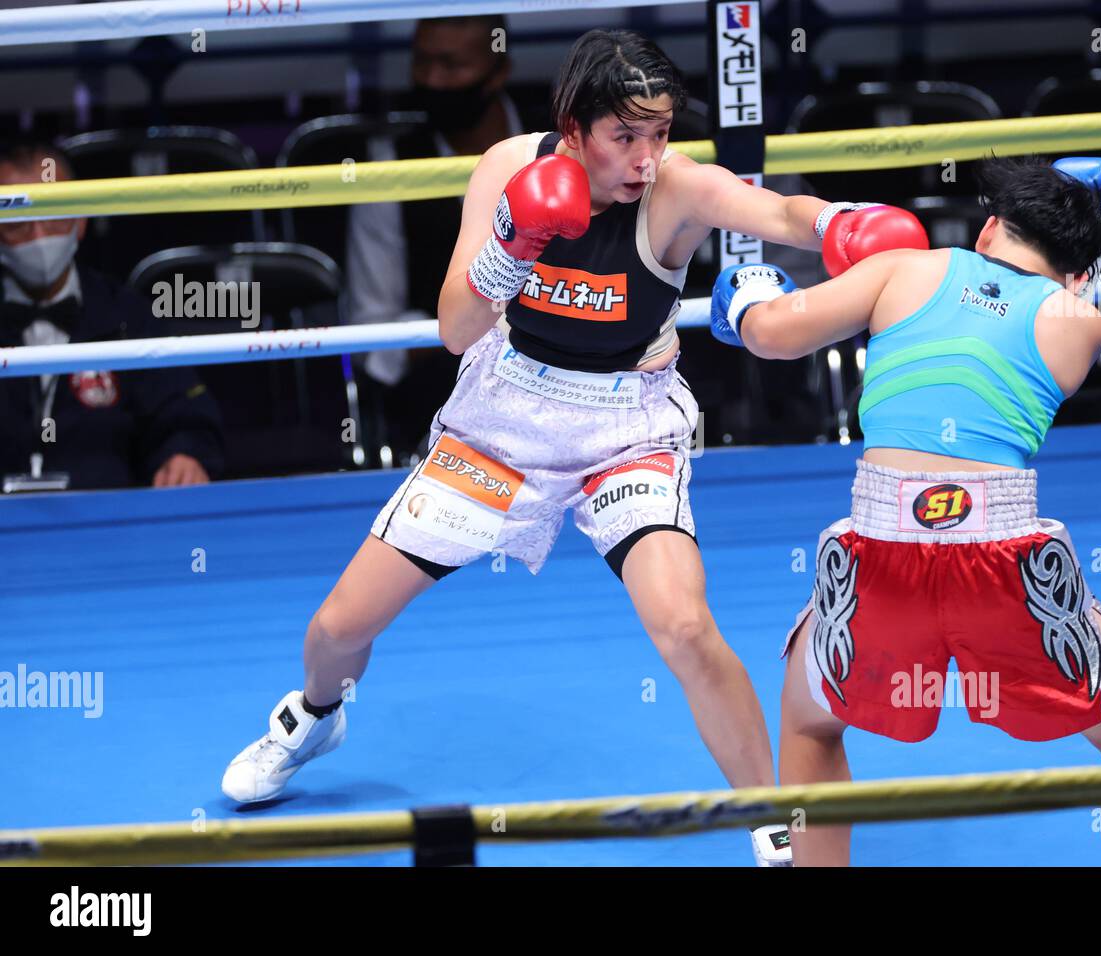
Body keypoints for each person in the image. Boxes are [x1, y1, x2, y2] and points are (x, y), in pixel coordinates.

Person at [220, 28, 895, 865]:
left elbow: (776, 210)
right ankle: (316, 717)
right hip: (504, 419)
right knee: (336, 628)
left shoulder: (675, 190)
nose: (647, 158)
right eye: (626, 136)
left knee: (684, 627)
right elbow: (455, 329)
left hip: (626, 429)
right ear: (573, 129)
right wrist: (513, 243)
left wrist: (840, 221)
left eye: (660, 134)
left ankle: (772, 815)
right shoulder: (507, 169)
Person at [710, 154, 1101, 866]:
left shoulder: (908, 267)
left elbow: (771, 334)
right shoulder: (1082, 325)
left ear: (989, 229)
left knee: (810, 723)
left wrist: (746, 292)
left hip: (879, 551)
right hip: (1007, 559)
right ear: (1080, 269)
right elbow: (1049, 305)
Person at [346, 14, 539, 462]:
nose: (432, 79)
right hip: (446, 396)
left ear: (498, 71)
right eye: (422, 63)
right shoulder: (391, 170)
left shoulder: (559, 146)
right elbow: (376, 328)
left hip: (570, 364)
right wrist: (467, 333)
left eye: (451, 66)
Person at [0, 140, 224, 490]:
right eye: (19, 222)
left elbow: (183, 412)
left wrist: (184, 455)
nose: (39, 236)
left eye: (53, 216)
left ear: (81, 221)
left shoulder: (128, 315)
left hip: (112, 527)